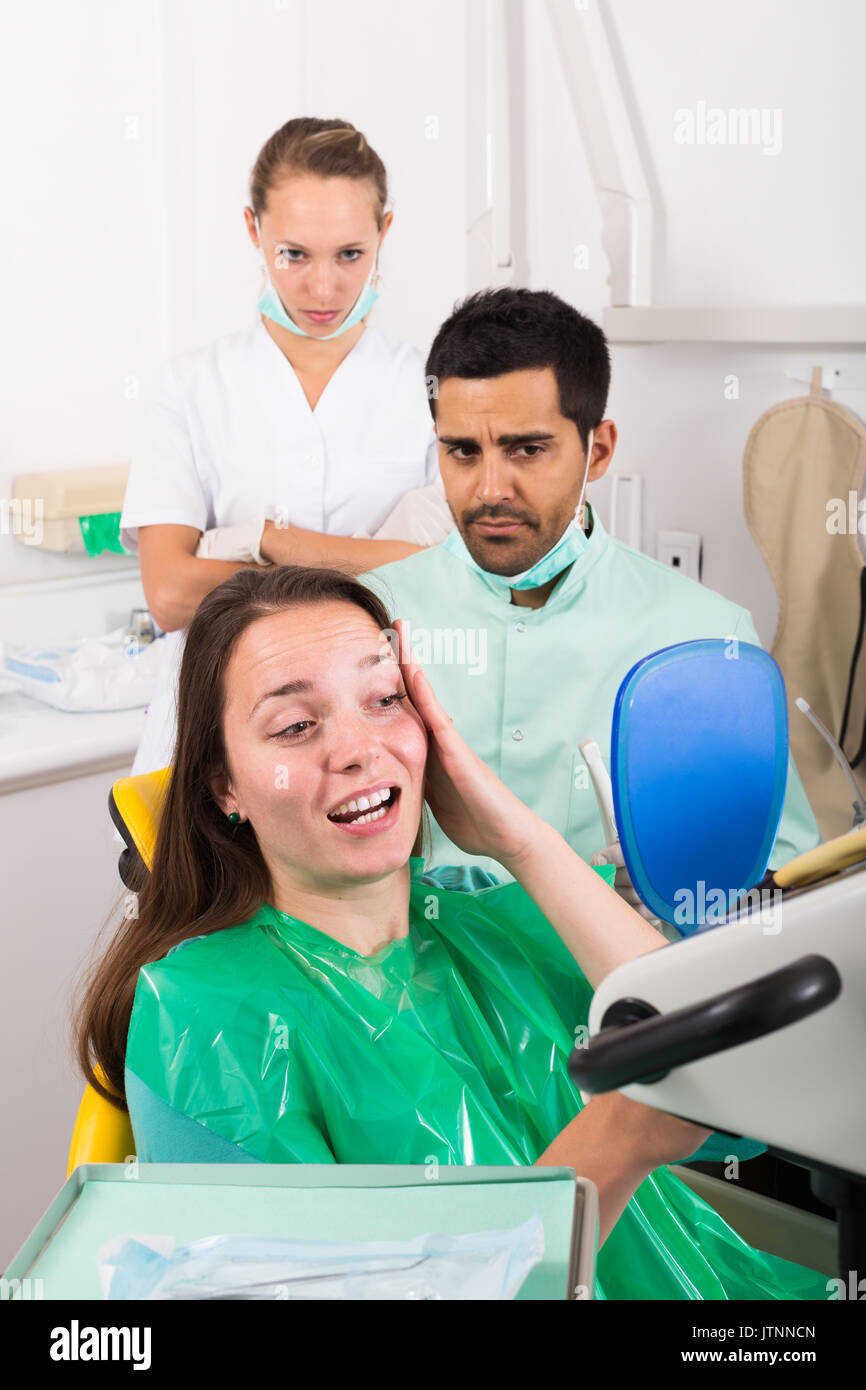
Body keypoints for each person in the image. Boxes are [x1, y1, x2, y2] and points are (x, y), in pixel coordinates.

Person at [74, 566, 825, 1300]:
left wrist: (521, 841)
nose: (358, 749)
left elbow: (730, 1074)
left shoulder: (492, 912)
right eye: (297, 725)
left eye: (384, 701)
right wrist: (618, 1143)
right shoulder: (205, 1017)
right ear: (226, 787)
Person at [360, 288, 822, 893]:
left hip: (611, 983)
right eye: (463, 452)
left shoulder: (707, 637)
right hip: (413, 984)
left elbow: (776, 877)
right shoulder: (373, 614)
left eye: (527, 449)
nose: (490, 489)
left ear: (597, 450)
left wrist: (676, 905)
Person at [120, 116, 450, 777]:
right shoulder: (192, 387)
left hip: (375, 732)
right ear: (254, 231)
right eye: (294, 254)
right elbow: (172, 591)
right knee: (210, 874)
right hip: (218, 725)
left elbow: (443, 581)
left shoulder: (432, 387)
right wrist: (369, 571)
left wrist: (269, 540)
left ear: (384, 233)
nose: (322, 288)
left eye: (349, 254)